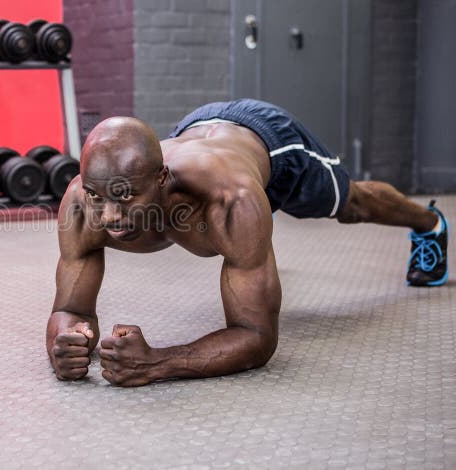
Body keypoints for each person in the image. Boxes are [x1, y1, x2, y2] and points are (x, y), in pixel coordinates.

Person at [46, 98, 449, 387]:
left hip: (270, 142)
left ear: (161, 180)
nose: (110, 217)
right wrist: (64, 344)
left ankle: (430, 223)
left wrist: (156, 364)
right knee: (245, 238)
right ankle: (252, 244)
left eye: (125, 197)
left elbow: (256, 338)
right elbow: (68, 308)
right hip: (199, 132)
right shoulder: (82, 205)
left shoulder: (228, 202)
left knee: (351, 205)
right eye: (99, 196)